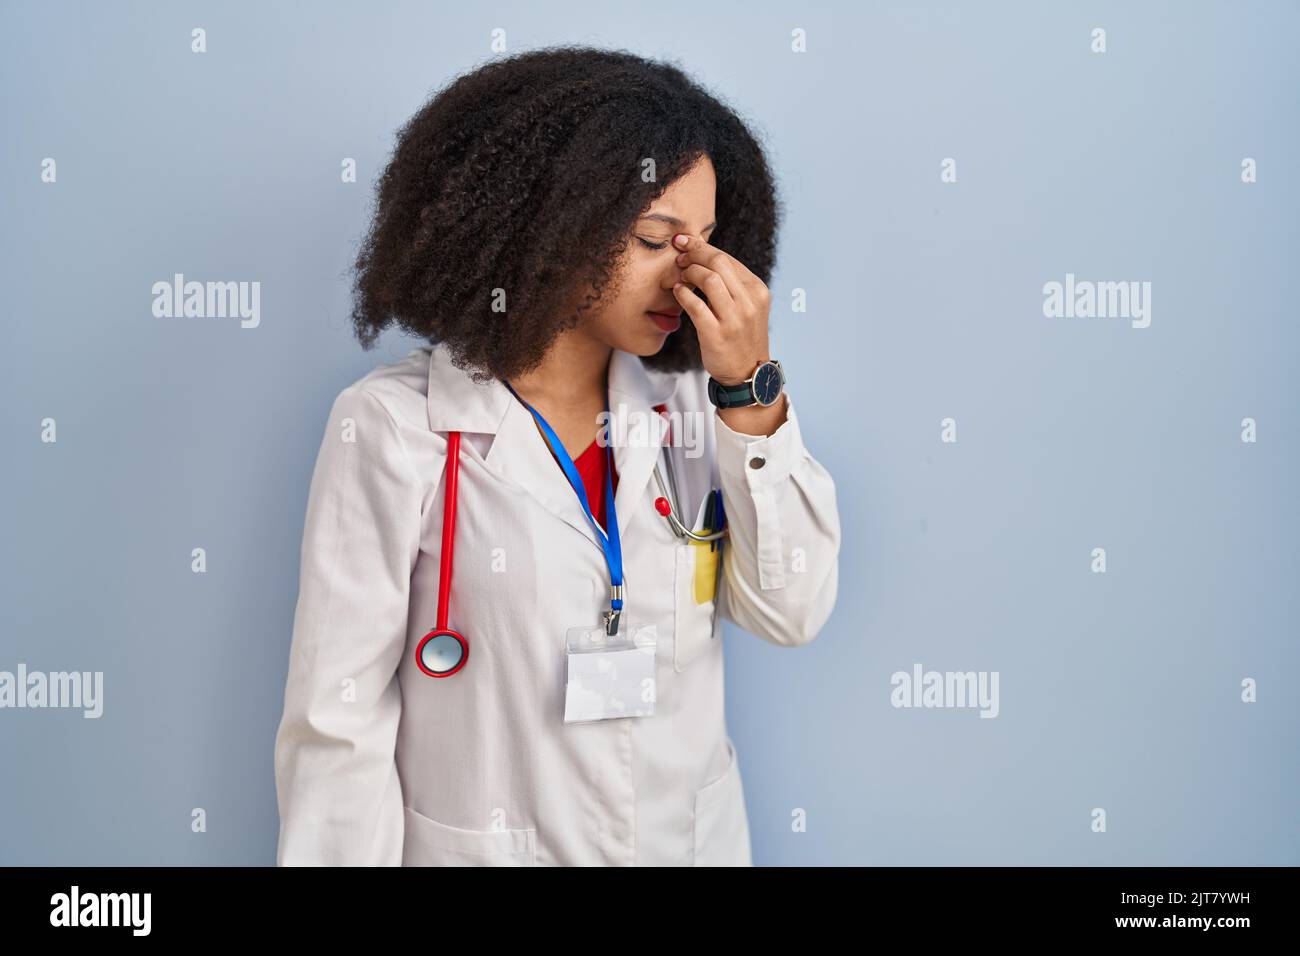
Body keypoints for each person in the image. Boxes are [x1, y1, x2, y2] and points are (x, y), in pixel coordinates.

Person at [273, 46, 841, 866]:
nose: (690, 275)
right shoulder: (395, 429)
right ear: (549, 225)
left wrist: (749, 392)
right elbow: (337, 729)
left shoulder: (699, 407)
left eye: (708, 242)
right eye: (656, 238)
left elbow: (791, 612)